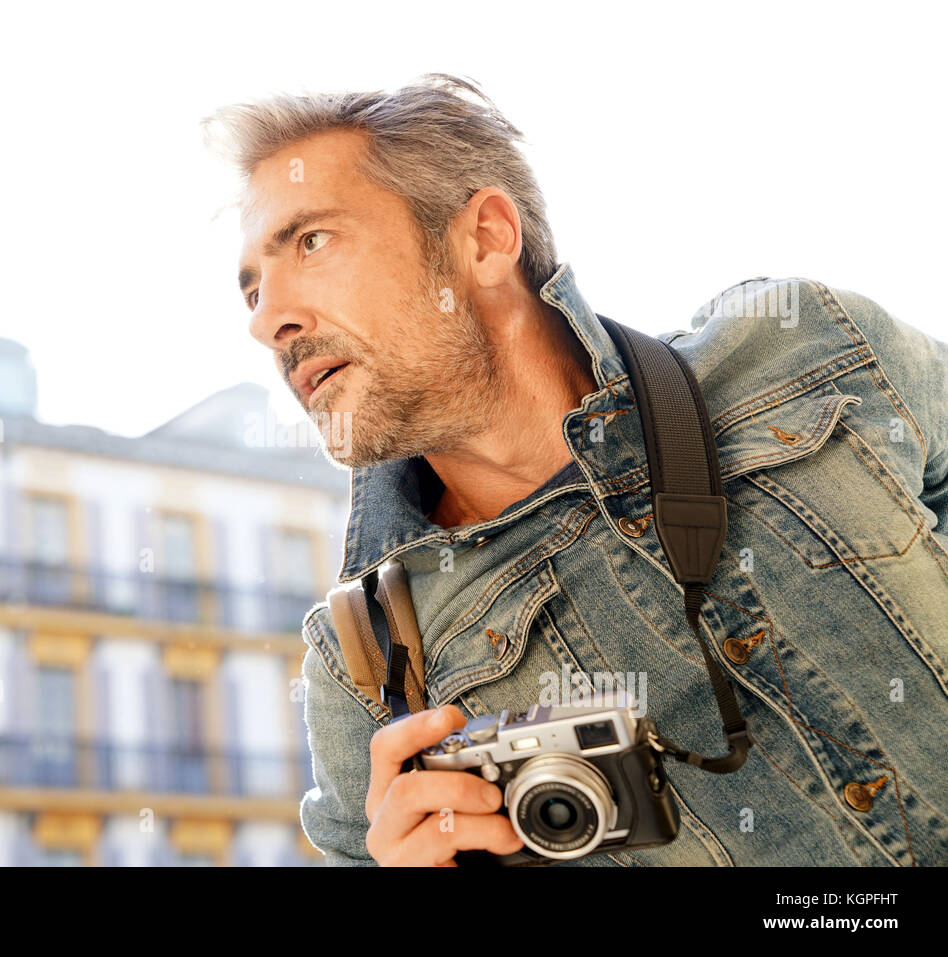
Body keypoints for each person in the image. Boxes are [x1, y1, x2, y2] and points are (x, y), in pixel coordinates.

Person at [204, 74, 948, 866]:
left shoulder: (804, 346)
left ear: (486, 237)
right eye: (250, 287)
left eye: (309, 242)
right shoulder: (365, 668)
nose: (264, 319)